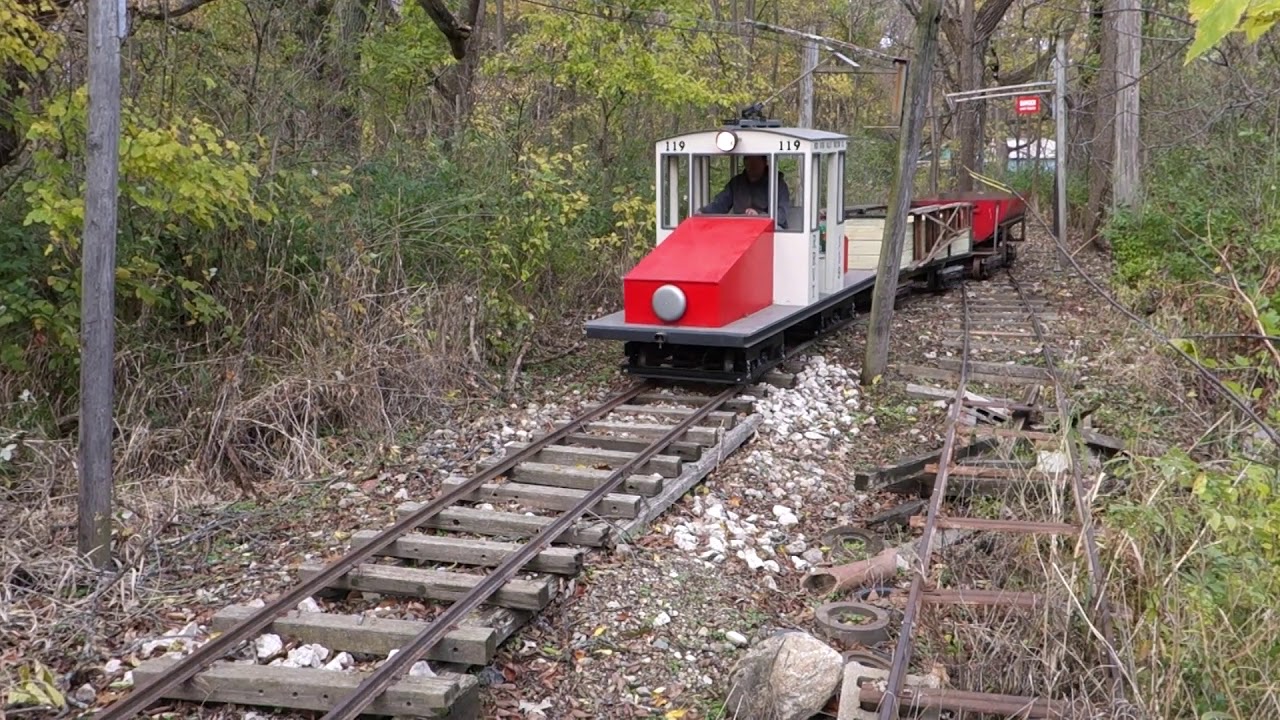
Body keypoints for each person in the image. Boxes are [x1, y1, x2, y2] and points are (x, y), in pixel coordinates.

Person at [697, 155, 790, 229]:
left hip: (769, 229)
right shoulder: (736, 183)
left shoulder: (778, 184)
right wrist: (703, 212)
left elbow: (782, 214)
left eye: (755, 163)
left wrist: (760, 217)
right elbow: (721, 204)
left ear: (765, 163)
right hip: (741, 228)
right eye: (749, 163)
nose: (752, 167)